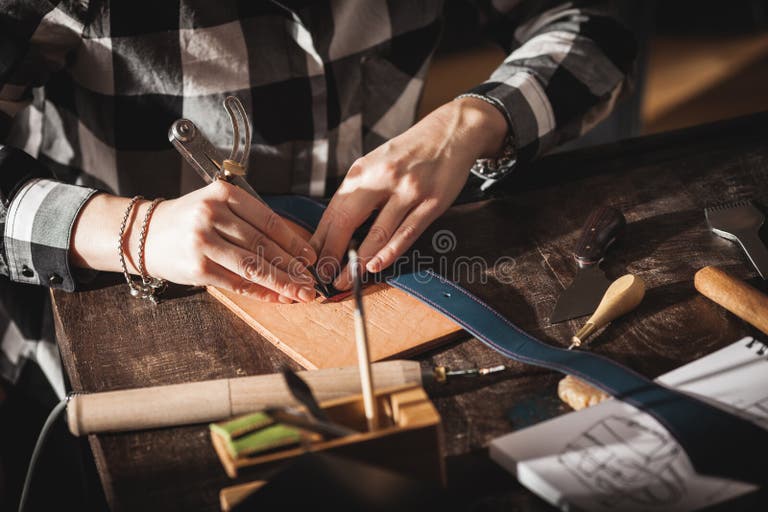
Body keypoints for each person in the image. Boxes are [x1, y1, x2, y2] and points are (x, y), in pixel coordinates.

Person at [0, 0, 635, 468]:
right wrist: (131, 229)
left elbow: (596, 21)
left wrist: (482, 115)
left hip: (381, 286)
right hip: (104, 320)